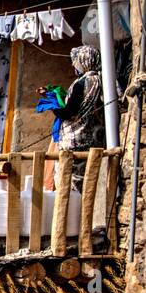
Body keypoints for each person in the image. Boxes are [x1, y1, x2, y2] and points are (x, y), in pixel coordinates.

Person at [52, 45, 108, 190]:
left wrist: (54, 107)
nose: (74, 65)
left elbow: (70, 111)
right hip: (97, 139)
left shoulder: (81, 83)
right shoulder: (103, 80)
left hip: (76, 140)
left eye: (76, 62)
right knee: (90, 179)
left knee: (70, 181)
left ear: (85, 61)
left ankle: (72, 211)